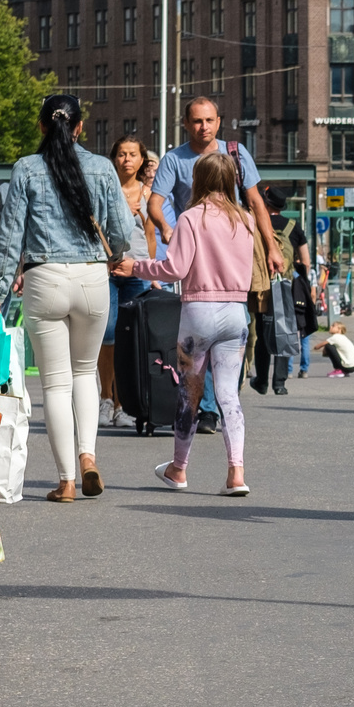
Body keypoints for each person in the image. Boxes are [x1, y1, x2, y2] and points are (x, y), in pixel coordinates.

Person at [0, 96, 132, 501]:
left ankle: (67, 480)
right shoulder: (103, 168)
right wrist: (113, 256)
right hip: (92, 277)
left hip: (44, 278)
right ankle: (88, 456)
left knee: (55, 384)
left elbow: (8, 240)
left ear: (41, 127)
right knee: (86, 372)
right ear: (80, 127)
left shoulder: (26, 169)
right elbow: (122, 232)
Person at [115, 152, 253, 495]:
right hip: (236, 311)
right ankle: (236, 473)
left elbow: (174, 269)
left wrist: (138, 268)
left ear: (199, 180)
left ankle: (179, 469)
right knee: (228, 395)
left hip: (199, 313)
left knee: (188, 395)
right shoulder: (246, 219)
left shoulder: (192, 218)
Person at [148, 96, 285, 432]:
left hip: (235, 251)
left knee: (234, 327)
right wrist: (166, 228)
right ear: (185, 124)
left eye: (209, 120)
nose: (203, 127)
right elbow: (154, 203)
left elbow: (255, 202)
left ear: (219, 122)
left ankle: (221, 398)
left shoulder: (236, 154)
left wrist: (272, 247)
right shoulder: (174, 160)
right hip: (198, 253)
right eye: (196, 121)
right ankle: (209, 408)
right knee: (201, 330)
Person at [98, 135, 157, 428]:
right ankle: (105, 398)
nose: (127, 160)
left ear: (141, 159)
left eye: (133, 154)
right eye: (121, 154)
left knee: (130, 338)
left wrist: (154, 272)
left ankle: (124, 403)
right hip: (109, 270)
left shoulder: (148, 194)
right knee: (108, 335)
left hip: (137, 272)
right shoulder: (106, 190)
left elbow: (149, 236)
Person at [252, 185, 310, 394]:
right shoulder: (293, 226)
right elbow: (306, 261)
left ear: (265, 203)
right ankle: (280, 384)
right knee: (284, 329)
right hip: (286, 286)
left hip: (262, 286)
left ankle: (261, 380)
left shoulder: (258, 224)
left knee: (261, 332)